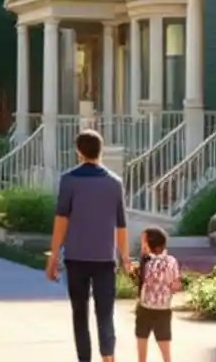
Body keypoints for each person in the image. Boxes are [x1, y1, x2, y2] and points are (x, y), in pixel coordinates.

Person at [46, 129, 132, 362]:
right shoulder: (115, 183)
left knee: (80, 314)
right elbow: (121, 225)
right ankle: (108, 358)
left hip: (75, 258)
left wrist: (53, 257)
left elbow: (61, 220)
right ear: (100, 150)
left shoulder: (69, 180)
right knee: (105, 314)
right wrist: (125, 258)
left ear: (78, 152)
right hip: (105, 260)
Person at [132, 227, 181, 362]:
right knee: (164, 344)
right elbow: (176, 285)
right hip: (164, 308)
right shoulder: (172, 261)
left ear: (149, 244)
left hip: (145, 307)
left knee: (142, 339)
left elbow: (140, 282)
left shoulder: (146, 262)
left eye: (143, 242)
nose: (142, 245)